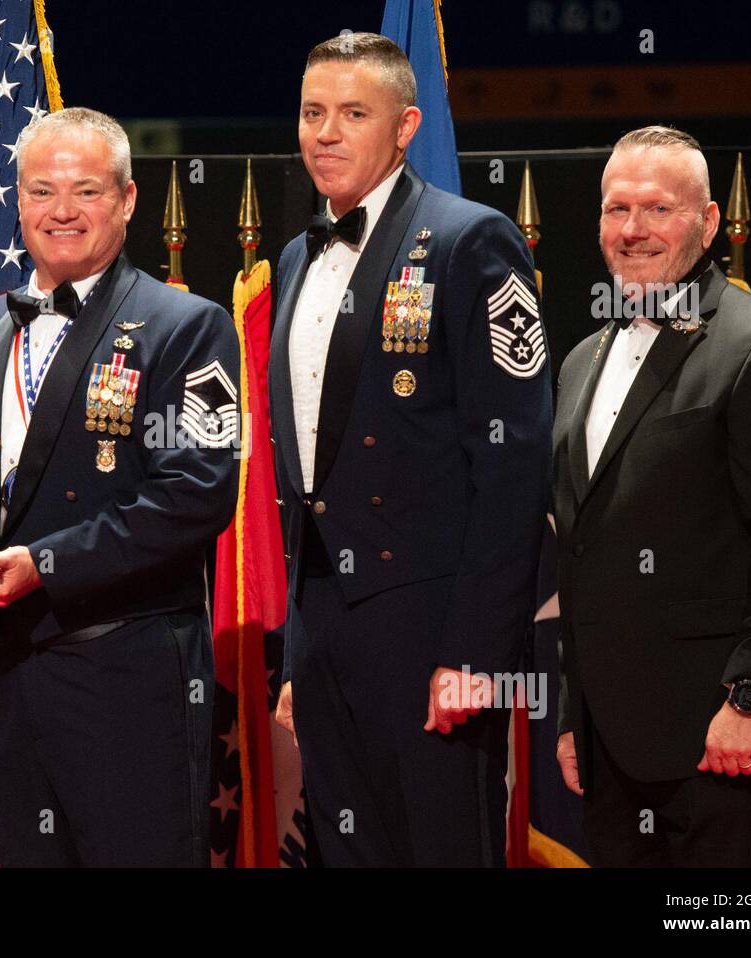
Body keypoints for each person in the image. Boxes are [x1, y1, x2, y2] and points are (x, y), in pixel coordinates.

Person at [0, 107, 241, 866]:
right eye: (41, 190)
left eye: (86, 190)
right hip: (15, 670)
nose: (62, 210)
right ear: (19, 201)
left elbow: (196, 493)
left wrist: (46, 565)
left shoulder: (187, 326)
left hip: (130, 676)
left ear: (127, 201)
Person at [269, 32, 552, 866]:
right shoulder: (294, 257)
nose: (326, 132)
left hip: (433, 632)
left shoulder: (473, 239)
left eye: (353, 113)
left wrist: (474, 656)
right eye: (313, 112)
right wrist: (298, 650)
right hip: (326, 631)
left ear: (405, 126)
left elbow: (514, 463)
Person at [552, 126, 751, 866]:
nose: (633, 229)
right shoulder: (582, 360)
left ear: (709, 222)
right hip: (609, 743)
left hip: (725, 738)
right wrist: (572, 716)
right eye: (617, 209)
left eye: (657, 209)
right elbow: (583, 550)